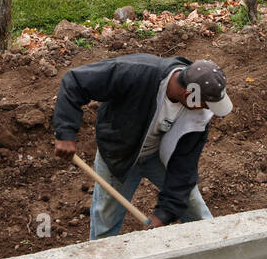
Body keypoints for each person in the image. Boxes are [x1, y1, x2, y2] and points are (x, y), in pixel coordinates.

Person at [52, 54, 232, 239]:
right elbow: (75, 81)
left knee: (198, 214)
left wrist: (164, 213)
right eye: (206, 104)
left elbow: (184, 167)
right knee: (105, 225)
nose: (207, 110)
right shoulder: (135, 72)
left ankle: (217, 257)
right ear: (189, 95)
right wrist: (65, 133)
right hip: (119, 155)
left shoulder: (199, 117)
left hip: (159, 156)